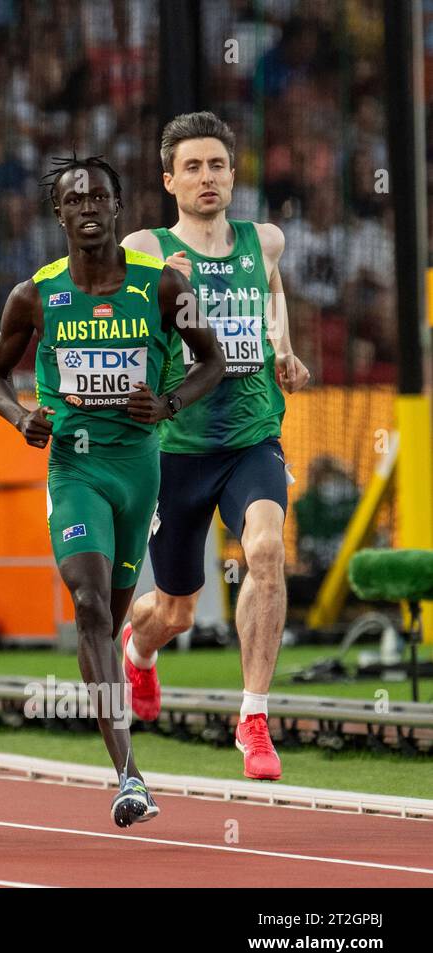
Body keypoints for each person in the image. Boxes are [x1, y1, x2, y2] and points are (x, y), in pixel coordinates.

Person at [0, 153, 225, 827]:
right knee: (88, 602)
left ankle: (117, 669)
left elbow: (215, 360)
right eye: (73, 200)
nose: (86, 208)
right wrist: (20, 415)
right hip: (76, 468)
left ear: (118, 208)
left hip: (139, 470)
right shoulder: (35, 294)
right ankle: (128, 775)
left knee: (112, 618)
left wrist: (169, 404)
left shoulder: (163, 286)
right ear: (57, 214)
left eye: (98, 198)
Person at [119, 112, 311, 781]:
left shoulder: (267, 240)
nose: (208, 177)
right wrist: (152, 290)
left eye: (218, 165)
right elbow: (109, 326)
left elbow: (273, 290)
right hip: (175, 449)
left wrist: (282, 347)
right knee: (175, 610)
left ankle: (254, 717)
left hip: (252, 436)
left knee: (264, 550)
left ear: (234, 174)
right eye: (193, 167)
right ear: (169, 179)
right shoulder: (144, 246)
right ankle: (138, 655)